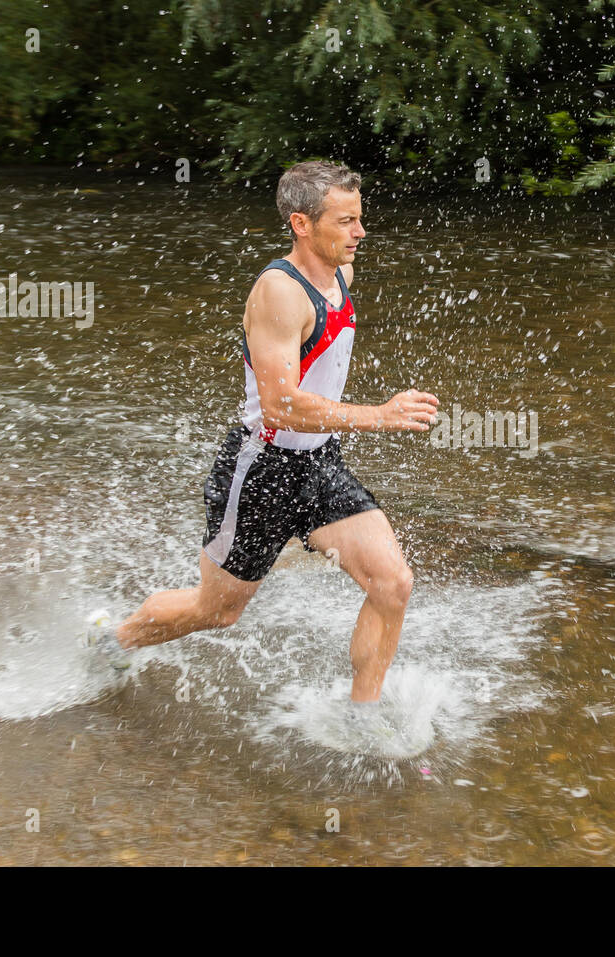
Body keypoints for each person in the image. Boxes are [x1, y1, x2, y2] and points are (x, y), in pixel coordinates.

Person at [98, 160, 438, 706]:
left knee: (391, 584)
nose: (360, 232)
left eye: (360, 218)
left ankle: (362, 714)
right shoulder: (279, 292)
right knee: (219, 611)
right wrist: (380, 414)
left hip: (320, 462)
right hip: (260, 468)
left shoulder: (340, 274)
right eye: (345, 221)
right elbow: (279, 407)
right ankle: (111, 641)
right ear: (301, 224)